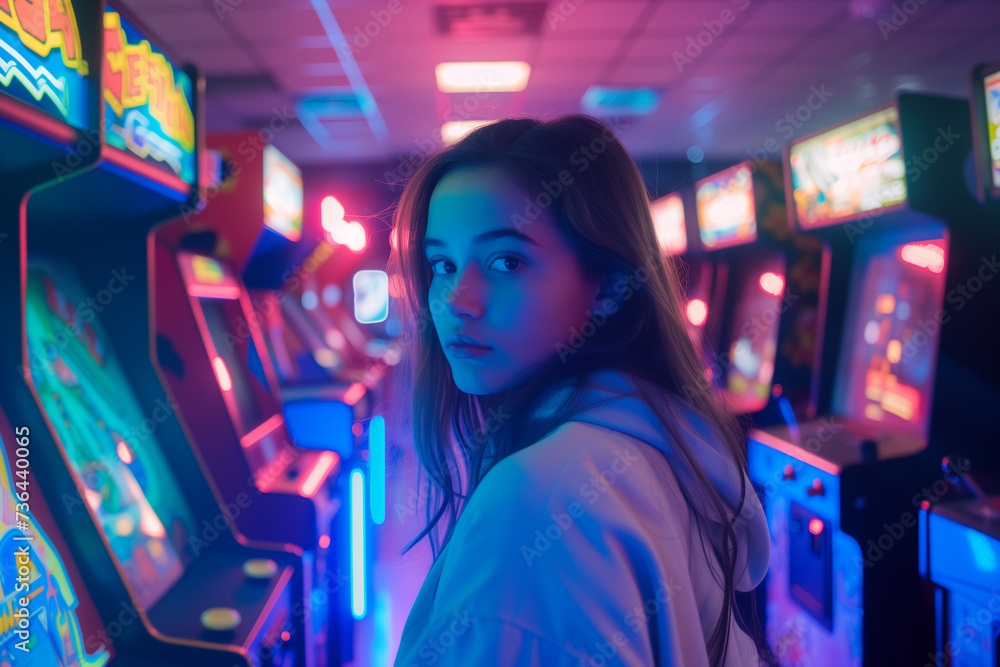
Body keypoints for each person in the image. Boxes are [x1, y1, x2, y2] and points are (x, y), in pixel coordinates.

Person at [387, 115, 769, 667]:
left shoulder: (539, 494)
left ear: (610, 287)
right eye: (442, 264)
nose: (454, 300)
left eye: (506, 262)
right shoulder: (653, 440)